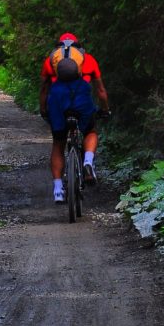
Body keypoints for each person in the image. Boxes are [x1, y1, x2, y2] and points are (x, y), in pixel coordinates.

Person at [39, 33, 110, 203]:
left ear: (58, 46)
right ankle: (88, 162)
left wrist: (44, 109)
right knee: (90, 131)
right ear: (78, 46)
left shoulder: (50, 61)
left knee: (58, 143)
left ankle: (58, 189)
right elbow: (100, 91)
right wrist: (105, 109)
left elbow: (44, 90)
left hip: (58, 101)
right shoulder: (88, 59)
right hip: (81, 100)